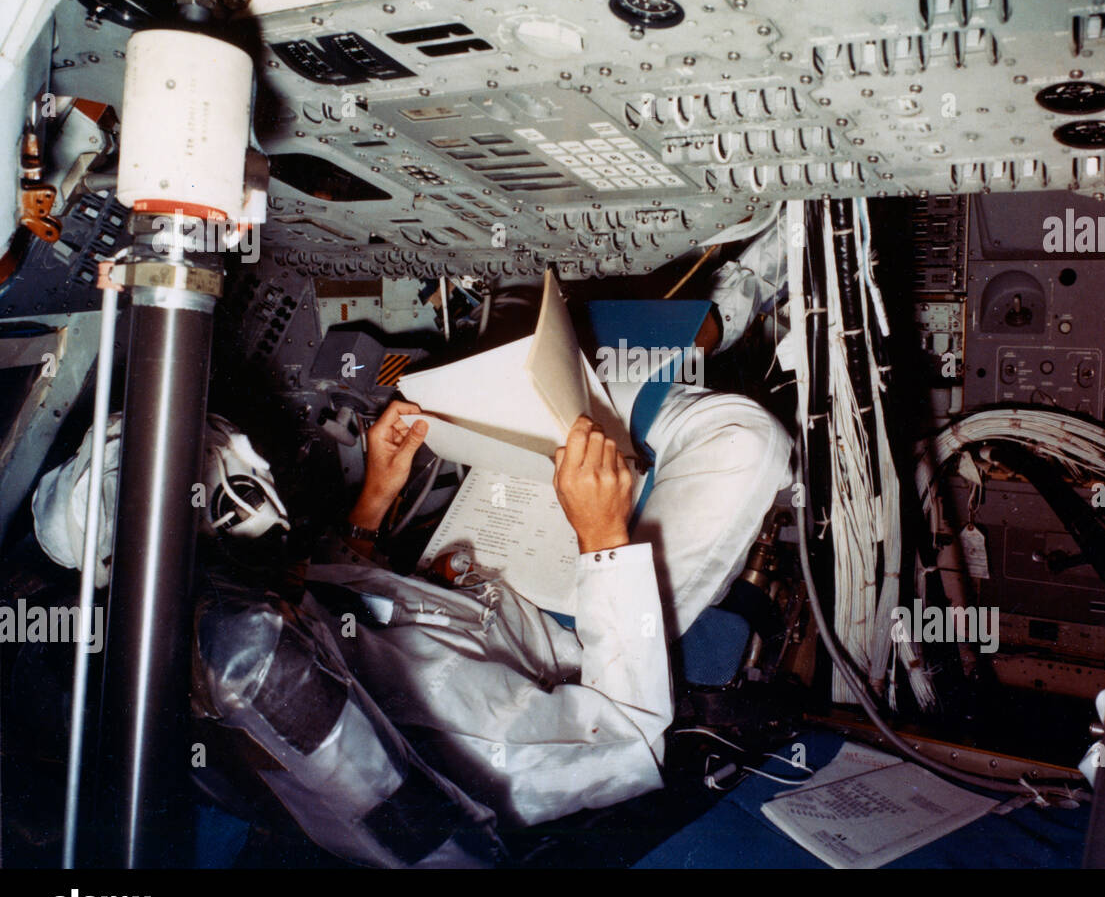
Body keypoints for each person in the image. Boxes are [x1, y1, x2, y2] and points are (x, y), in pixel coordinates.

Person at [309, 316, 792, 827]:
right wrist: (602, 537)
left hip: (475, 589)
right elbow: (625, 738)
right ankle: (730, 312)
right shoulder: (485, 751)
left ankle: (683, 335)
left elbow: (334, 605)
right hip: (581, 645)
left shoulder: (260, 626)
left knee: (537, 406)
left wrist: (373, 504)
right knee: (744, 436)